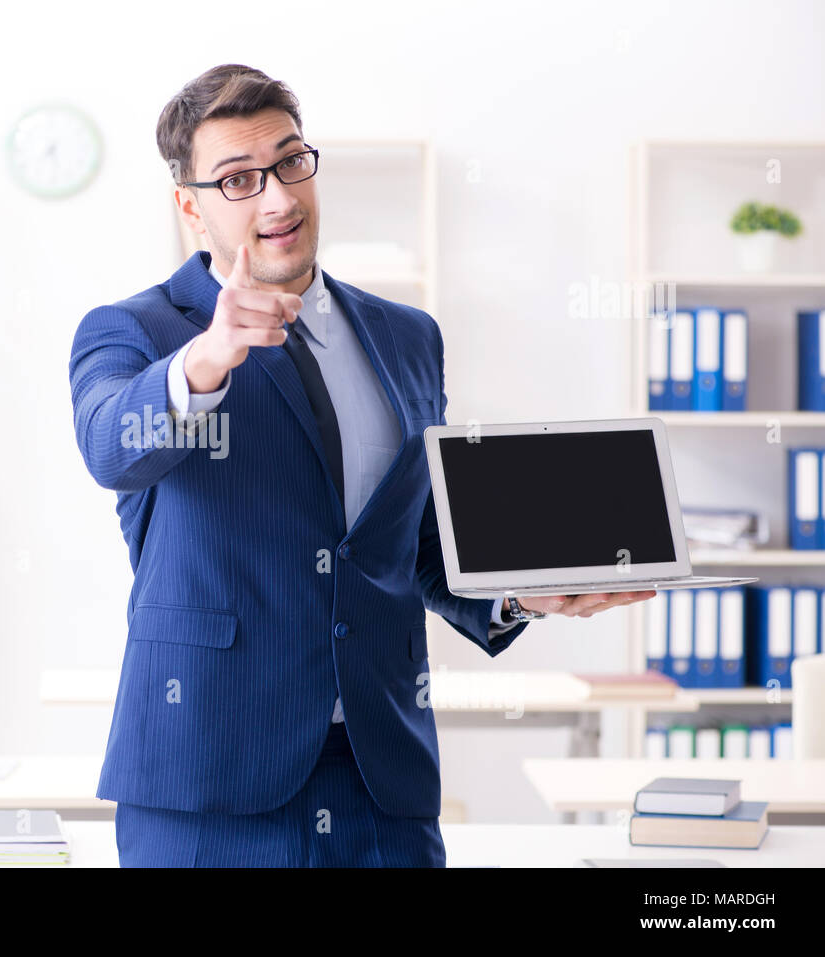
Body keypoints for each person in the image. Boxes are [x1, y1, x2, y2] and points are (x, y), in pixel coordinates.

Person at [67, 63, 655, 867]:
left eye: (290, 162)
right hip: (209, 779)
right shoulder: (137, 330)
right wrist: (208, 357)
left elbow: (412, 543)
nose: (277, 199)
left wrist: (518, 590)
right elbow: (109, 446)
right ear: (190, 207)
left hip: (381, 778)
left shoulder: (408, 336)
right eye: (239, 180)